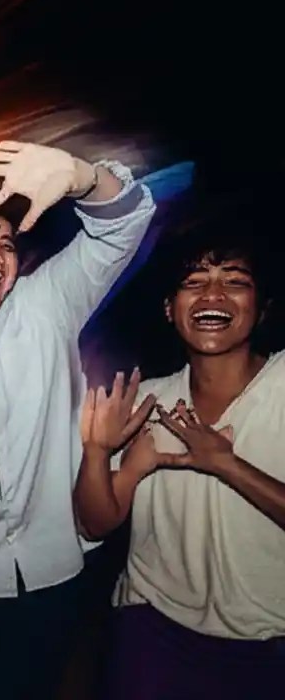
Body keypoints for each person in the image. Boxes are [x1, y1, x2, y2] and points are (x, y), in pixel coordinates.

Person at [0, 140, 157, 699]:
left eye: (5, 244)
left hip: (49, 573)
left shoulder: (44, 302)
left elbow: (124, 225)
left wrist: (79, 176)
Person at [74, 221, 285, 699]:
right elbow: (94, 524)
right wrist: (98, 452)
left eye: (235, 281)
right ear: (170, 310)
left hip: (269, 641)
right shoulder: (147, 400)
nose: (213, 294)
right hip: (154, 629)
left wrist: (225, 463)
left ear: (262, 307)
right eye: (194, 283)